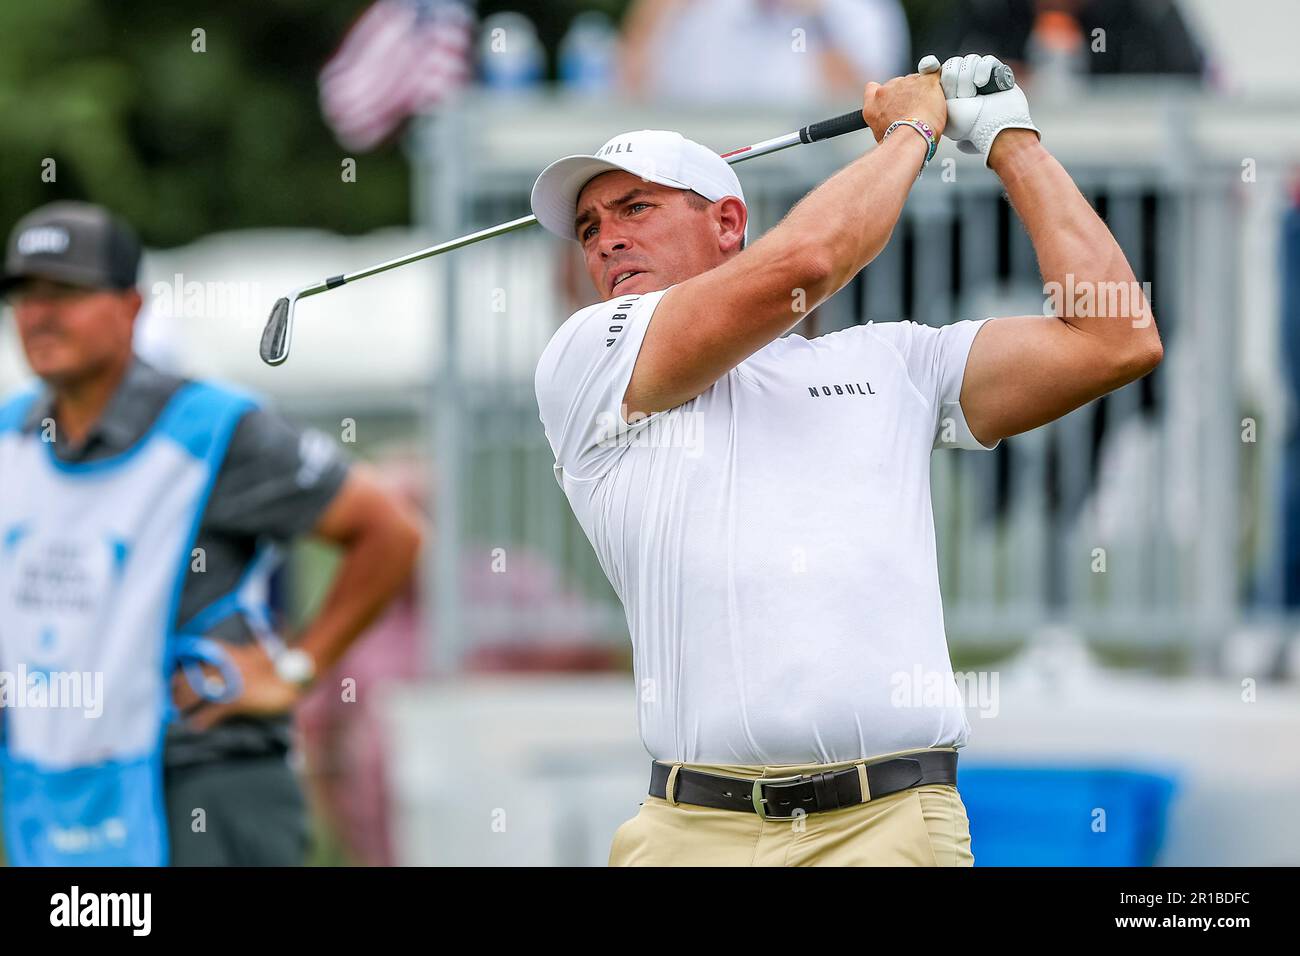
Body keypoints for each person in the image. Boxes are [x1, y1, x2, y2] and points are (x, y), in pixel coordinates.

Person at [529, 53, 1162, 865]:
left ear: (727, 222)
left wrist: (1012, 141)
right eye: (589, 228)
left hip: (887, 827)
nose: (606, 238)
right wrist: (911, 131)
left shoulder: (893, 361)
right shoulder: (589, 360)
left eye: (635, 208)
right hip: (690, 831)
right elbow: (805, 267)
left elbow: (1114, 338)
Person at [0, 201, 422, 866]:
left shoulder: (214, 427)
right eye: (24, 293)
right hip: (58, 791)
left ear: (130, 307)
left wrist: (294, 667)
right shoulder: (12, 431)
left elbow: (389, 531)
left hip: (206, 786)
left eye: (67, 292)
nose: (39, 314)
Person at [619, 0, 910, 105]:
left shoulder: (863, 10)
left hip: (813, 186)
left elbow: (872, 106)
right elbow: (633, 81)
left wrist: (818, 22)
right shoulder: (700, 11)